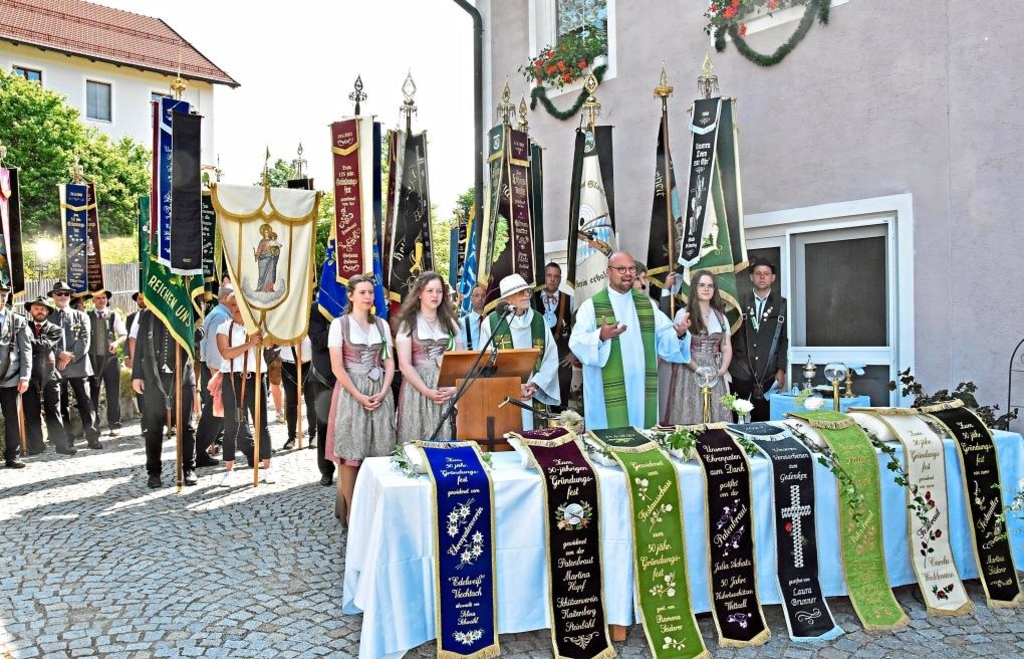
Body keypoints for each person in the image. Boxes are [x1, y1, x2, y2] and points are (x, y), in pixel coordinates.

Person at [569, 251, 693, 430]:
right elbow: (577, 343)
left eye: (631, 269)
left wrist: (679, 334)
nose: (628, 273)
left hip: (641, 392)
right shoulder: (591, 307)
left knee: (643, 439)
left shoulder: (647, 306)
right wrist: (601, 337)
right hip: (606, 396)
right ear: (608, 272)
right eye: (621, 269)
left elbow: (664, 340)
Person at [328, 275, 396, 523]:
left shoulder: (382, 325)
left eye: (370, 292)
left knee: (380, 451)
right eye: (363, 292)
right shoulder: (340, 325)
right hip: (352, 393)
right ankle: (353, 515)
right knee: (351, 454)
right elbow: (337, 367)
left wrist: (384, 389)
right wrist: (358, 395)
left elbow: (389, 362)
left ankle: (378, 513)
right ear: (350, 295)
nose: (368, 297)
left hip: (380, 392)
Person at [480, 274, 560, 430]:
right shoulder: (491, 324)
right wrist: (513, 386)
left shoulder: (539, 321)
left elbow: (551, 357)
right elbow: (486, 364)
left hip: (532, 392)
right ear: (508, 299)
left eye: (527, 291)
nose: (526, 295)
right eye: (520, 292)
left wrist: (536, 383)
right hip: (505, 395)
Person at [130, 309, 199, 488]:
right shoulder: (148, 313)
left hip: (182, 377)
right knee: (153, 428)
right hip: (154, 378)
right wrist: (136, 375)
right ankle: (153, 473)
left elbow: (199, 336)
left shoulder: (185, 307)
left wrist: (191, 320)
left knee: (187, 427)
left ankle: (189, 469)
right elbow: (140, 346)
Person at [395, 271, 463, 444]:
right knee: (415, 441)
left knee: (444, 441)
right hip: (417, 389)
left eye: (439, 291)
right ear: (419, 293)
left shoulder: (450, 323)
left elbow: (462, 361)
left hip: (445, 388)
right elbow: (404, 365)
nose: (435, 295)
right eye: (430, 290)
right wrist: (426, 390)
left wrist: (454, 388)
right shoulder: (408, 324)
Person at [216, 292, 274, 486]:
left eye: (240, 306)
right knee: (231, 426)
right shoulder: (224, 328)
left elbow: (271, 343)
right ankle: (229, 471)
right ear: (229, 308)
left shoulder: (258, 328)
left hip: (256, 378)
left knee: (261, 425)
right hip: (232, 379)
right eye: (233, 306)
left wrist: (261, 334)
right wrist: (249, 344)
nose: (236, 310)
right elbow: (226, 353)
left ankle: (267, 468)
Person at [664, 270, 732, 425]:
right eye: (702, 285)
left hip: (714, 372)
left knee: (715, 417)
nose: (706, 289)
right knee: (691, 415)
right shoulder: (683, 314)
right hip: (690, 371)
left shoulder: (721, 317)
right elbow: (680, 348)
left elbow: (726, 347)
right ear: (694, 288)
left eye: (710, 286)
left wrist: (721, 371)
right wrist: (698, 370)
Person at [729, 257, 788, 422]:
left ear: (773, 277)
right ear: (751, 277)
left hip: (767, 375)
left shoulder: (781, 304)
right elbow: (730, 334)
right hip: (740, 371)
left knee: (762, 421)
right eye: (758, 273)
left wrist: (781, 369)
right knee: (735, 419)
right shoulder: (739, 302)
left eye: (766, 274)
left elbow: (783, 340)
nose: (762, 277)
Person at [49, 281, 102, 449]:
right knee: (61, 403)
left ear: (70, 296)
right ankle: (67, 439)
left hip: (78, 366)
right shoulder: (48, 318)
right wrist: (60, 355)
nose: (63, 296)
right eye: (59, 293)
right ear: (53, 296)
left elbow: (85, 340)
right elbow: (45, 341)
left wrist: (69, 357)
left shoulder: (81, 316)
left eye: (66, 293)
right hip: (57, 368)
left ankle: (92, 437)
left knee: (86, 402)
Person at [22, 296, 76, 457]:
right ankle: (36, 446)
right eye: (37, 308)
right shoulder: (24, 326)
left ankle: (61, 445)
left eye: (43, 308)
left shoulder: (54, 329)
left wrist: (25, 340)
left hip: (49, 375)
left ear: (47, 311)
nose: (40, 311)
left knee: (54, 411)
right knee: (31, 412)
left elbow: (44, 346)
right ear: (31, 310)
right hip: (29, 375)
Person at [193, 286, 232, 467]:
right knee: (214, 413)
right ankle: (199, 451)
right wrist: (216, 375)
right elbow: (215, 349)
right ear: (224, 298)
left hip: (217, 368)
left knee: (219, 413)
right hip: (217, 369)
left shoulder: (218, 313)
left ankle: (204, 448)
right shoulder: (221, 316)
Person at [531, 262, 574, 411]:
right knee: (535, 397)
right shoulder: (531, 298)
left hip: (562, 359)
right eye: (549, 275)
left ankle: (562, 431)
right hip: (537, 358)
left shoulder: (570, 299)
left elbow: (579, 329)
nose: (552, 279)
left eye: (556, 276)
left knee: (561, 402)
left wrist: (573, 354)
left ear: (560, 279)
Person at [87, 289, 127, 436]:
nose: (101, 300)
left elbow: (123, 334)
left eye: (103, 298)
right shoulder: (87, 316)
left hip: (110, 359)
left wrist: (116, 344)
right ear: (93, 300)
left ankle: (114, 426)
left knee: (113, 393)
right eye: (98, 298)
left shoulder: (113, 315)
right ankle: (94, 426)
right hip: (92, 360)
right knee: (92, 393)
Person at [0, 284, 32, 467]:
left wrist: (25, 376)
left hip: (10, 378)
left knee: (11, 418)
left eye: (4, 295)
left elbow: (26, 350)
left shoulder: (17, 320)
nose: (1, 299)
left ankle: (12, 455)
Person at [307, 300, 337, 486]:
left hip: (353, 375)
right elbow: (318, 341)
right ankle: (326, 470)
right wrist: (342, 327)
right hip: (324, 377)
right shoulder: (317, 308)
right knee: (324, 425)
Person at [279, 334, 315, 451]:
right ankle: (291, 437)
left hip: (308, 362)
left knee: (311, 402)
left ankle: (313, 435)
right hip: (288, 363)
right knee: (291, 402)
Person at [254, 223, 281, 293]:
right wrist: (257, 255)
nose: (266, 233)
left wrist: (276, 252)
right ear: (263, 233)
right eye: (265, 232)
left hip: (271, 259)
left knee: (270, 274)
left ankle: (269, 288)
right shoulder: (262, 241)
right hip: (262, 260)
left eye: (268, 232)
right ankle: (260, 288)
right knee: (261, 275)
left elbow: (277, 249)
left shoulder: (272, 241)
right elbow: (259, 250)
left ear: (269, 233)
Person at [458, 284, 486, 350]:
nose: (480, 298)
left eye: (483, 295)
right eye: (476, 295)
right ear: (471, 299)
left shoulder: (492, 321)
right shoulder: (462, 323)